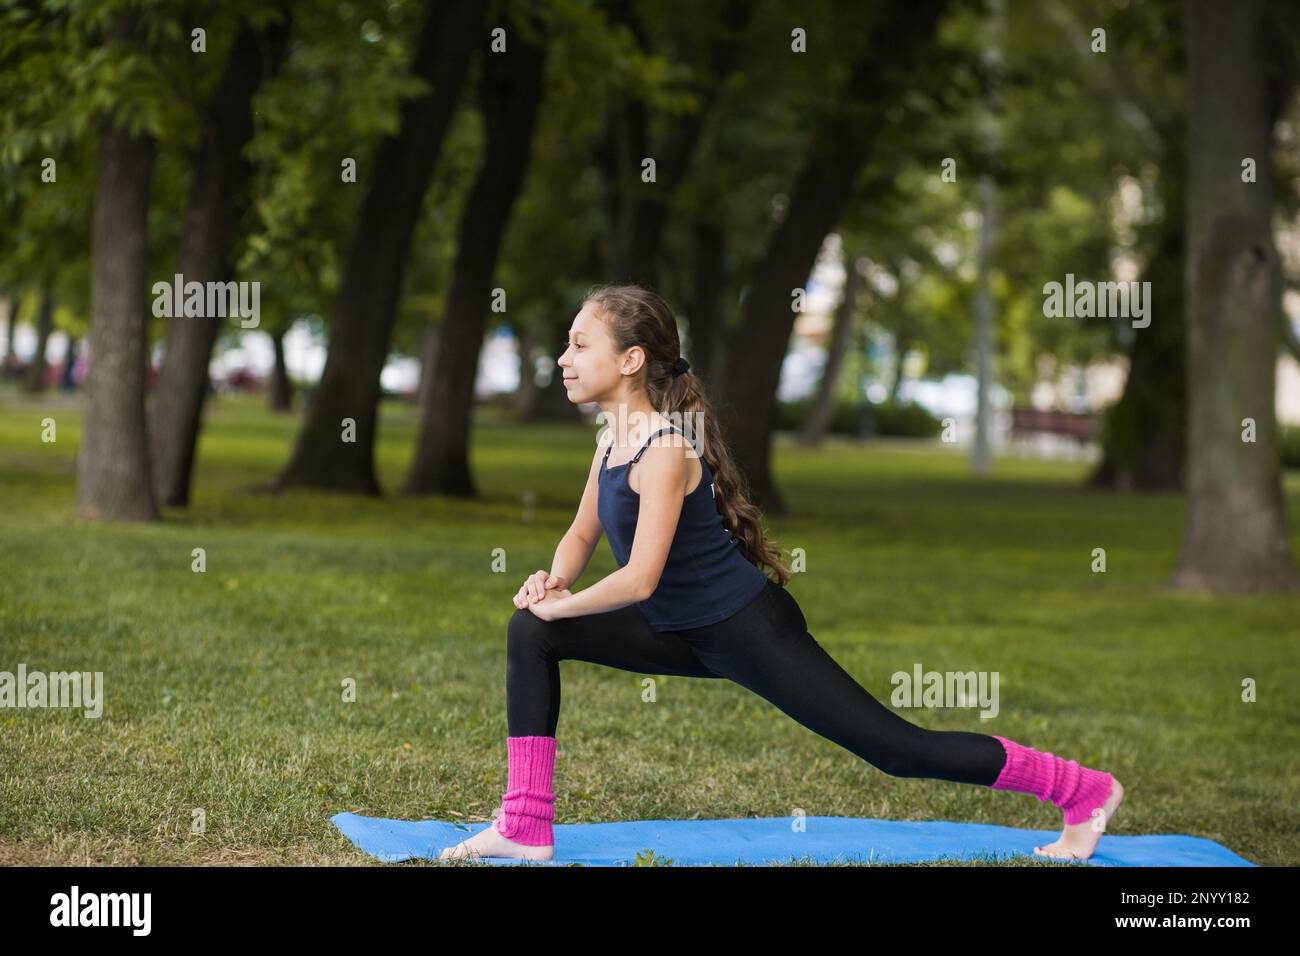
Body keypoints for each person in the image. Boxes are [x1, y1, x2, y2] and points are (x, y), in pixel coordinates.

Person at [439, 283, 1123, 863]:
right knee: (531, 630)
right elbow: (581, 534)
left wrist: (569, 605)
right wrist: (550, 584)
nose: (564, 359)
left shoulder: (666, 451)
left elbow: (640, 579)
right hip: (679, 629)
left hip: (748, 632)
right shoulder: (610, 443)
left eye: (580, 345)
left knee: (897, 750)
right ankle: (526, 825)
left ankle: (1081, 788)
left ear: (631, 360)